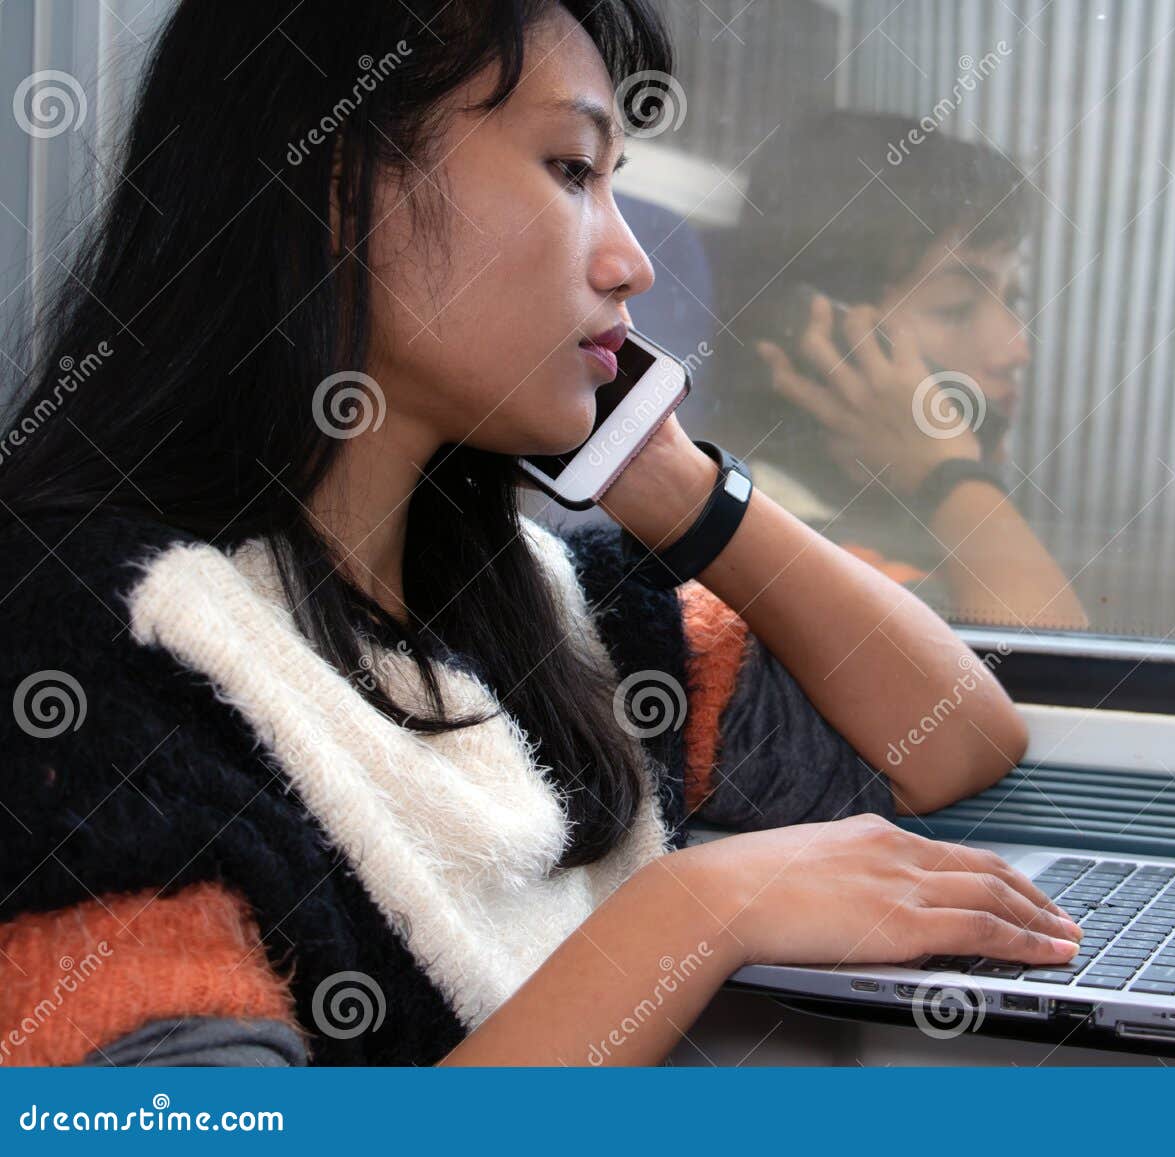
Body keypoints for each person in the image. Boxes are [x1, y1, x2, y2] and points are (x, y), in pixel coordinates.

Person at [0, 1, 1081, 1067]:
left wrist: (674, 485)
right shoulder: (93, 649)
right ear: (341, 192)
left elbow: (953, 736)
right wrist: (698, 909)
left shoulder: (551, 610)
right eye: (572, 171)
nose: (631, 264)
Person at [706, 110, 1089, 629]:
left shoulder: (898, 516)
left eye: (1013, 299)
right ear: (813, 332)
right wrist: (949, 473)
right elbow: (1050, 670)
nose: (1015, 349)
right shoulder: (785, 541)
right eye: (956, 307)